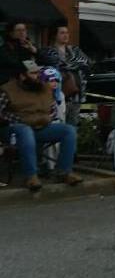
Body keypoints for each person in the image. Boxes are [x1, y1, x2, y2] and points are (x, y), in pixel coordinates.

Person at [0, 60, 81, 191]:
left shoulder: (44, 88)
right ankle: (31, 176)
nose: (38, 75)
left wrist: (45, 118)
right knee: (25, 130)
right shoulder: (8, 90)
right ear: (22, 76)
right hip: (13, 130)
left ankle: (63, 172)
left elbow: (53, 109)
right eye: (33, 73)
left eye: (38, 72)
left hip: (40, 127)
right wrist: (17, 119)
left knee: (68, 130)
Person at [39, 25, 91, 128]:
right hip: (58, 95)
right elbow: (56, 64)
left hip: (77, 94)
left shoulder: (75, 50)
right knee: (59, 123)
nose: (66, 35)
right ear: (55, 35)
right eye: (62, 33)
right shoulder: (48, 50)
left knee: (73, 125)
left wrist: (68, 65)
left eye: (67, 32)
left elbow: (87, 63)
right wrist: (76, 64)